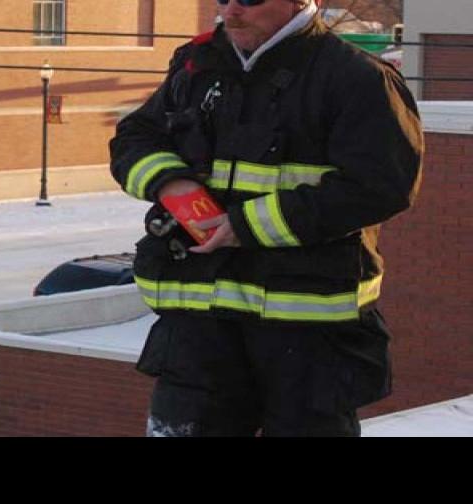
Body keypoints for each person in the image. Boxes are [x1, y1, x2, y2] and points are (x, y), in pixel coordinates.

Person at [109, 0, 423, 436]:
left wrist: (247, 225)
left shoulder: (357, 77)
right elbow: (134, 137)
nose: (232, 10)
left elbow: (380, 184)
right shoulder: (196, 66)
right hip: (197, 324)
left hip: (306, 332)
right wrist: (169, 182)